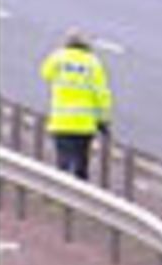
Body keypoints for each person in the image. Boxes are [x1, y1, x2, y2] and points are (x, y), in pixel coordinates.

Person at [40, 28, 113, 180]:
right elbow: (102, 94)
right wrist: (103, 121)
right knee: (81, 163)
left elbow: (45, 74)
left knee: (62, 162)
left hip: (61, 122)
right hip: (84, 125)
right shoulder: (92, 63)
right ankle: (79, 190)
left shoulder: (58, 58)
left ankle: (60, 193)